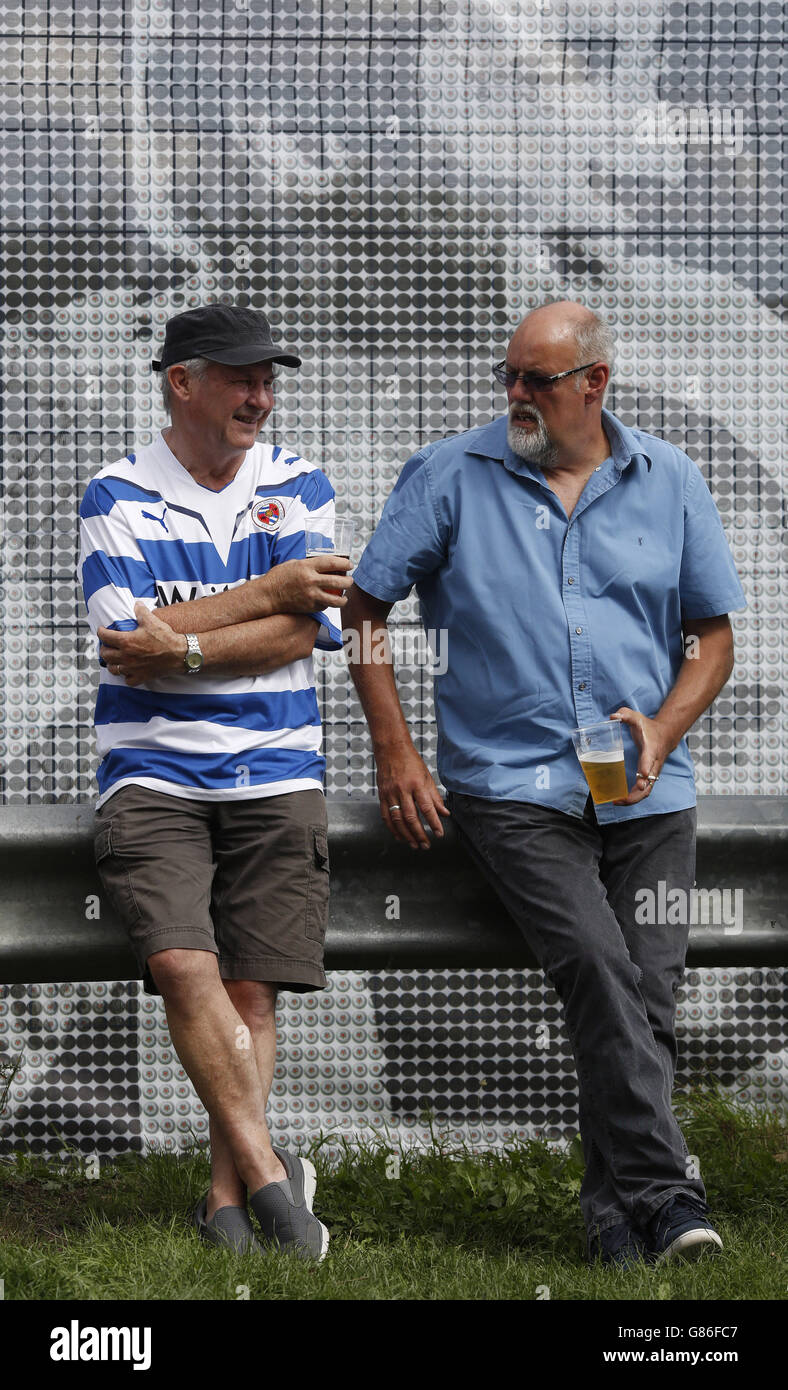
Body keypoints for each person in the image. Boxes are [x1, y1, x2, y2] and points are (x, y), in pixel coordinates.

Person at [344, 300, 747, 1268]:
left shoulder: (669, 479)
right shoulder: (450, 473)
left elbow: (714, 638)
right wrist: (393, 750)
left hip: (646, 789)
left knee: (646, 995)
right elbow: (361, 612)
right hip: (509, 789)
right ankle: (668, 1193)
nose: (514, 395)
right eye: (508, 377)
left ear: (592, 384)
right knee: (598, 969)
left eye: (535, 379)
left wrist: (659, 726)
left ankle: (613, 1221)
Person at [78, 303, 353, 1259]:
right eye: (240, 378)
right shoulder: (112, 492)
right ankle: (277, 1179)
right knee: (180, 964)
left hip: (277, 769)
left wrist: (189, 639)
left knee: (253, 993)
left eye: (269, 379)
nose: (260, 396)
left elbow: (305, 630)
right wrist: (267, 594)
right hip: (151, 773)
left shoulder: (301, 481)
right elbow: (126, 649)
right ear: (181, 382)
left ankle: (225, 1205)